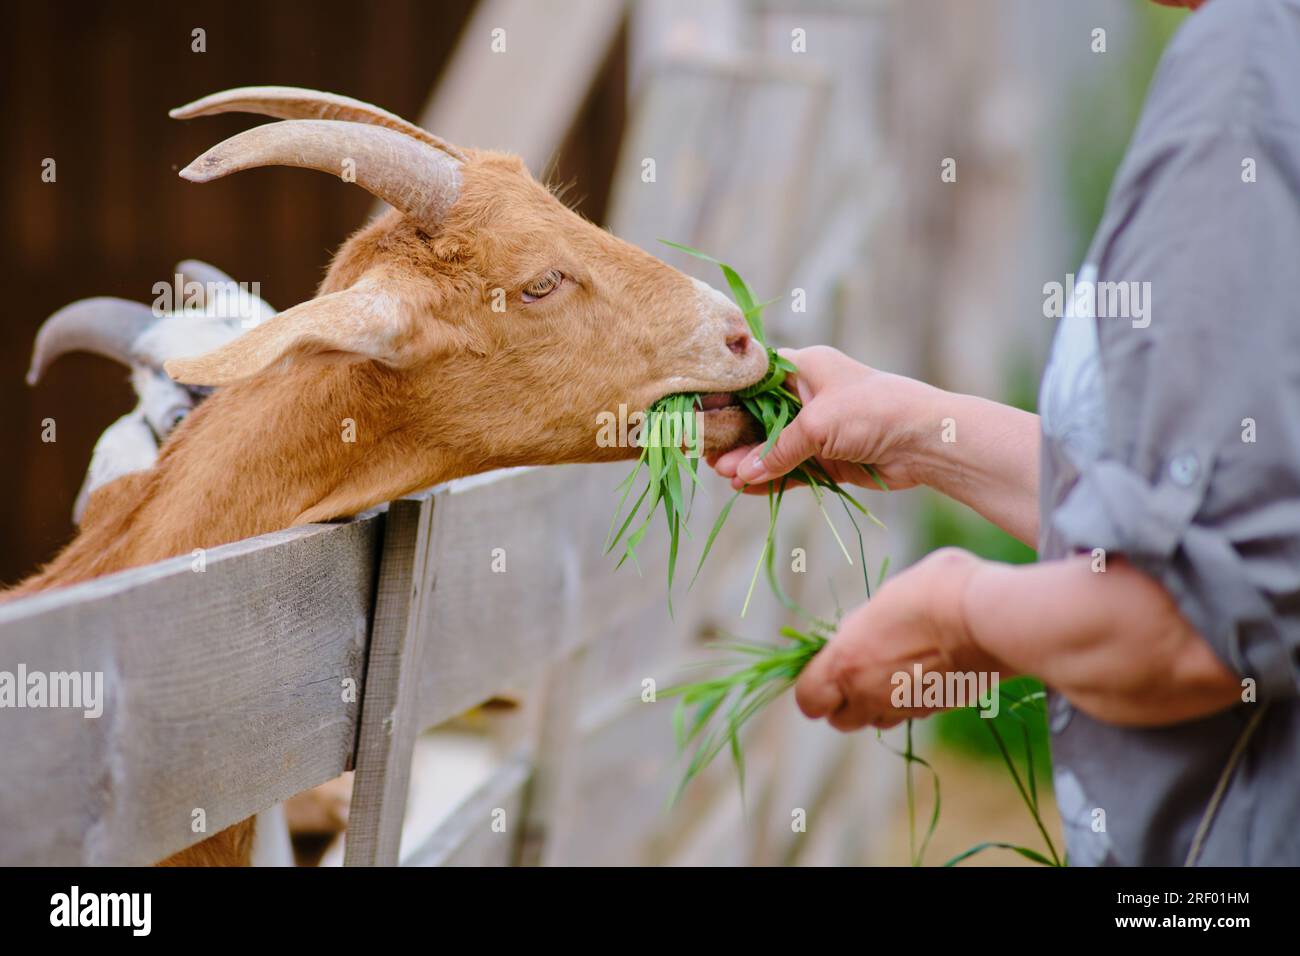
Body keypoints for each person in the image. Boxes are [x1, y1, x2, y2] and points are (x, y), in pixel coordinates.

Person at [711, 0, 1299, 865]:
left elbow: (1203, 621)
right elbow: (1227, 516)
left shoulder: (1250, 68)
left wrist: (964, 615)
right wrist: (920, 430)